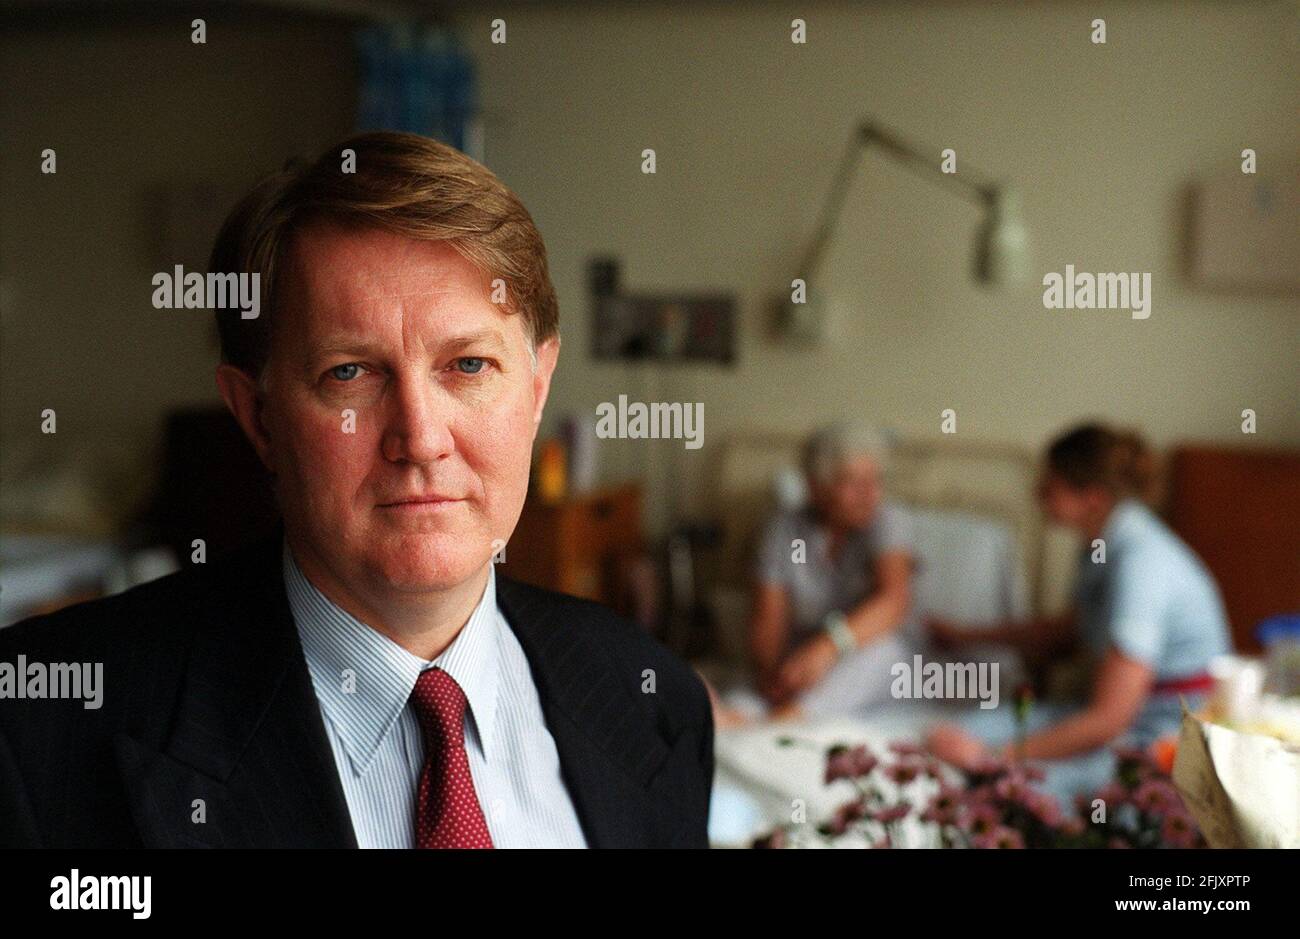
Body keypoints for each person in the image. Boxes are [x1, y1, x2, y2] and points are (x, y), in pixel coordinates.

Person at [0, 132, 713, 849]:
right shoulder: (38, 738)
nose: (421, 436)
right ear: (259, 418)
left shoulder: (654, 699)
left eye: (468, 364)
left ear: (536, 387)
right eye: (350, 373)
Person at [926, 422, 1231, 803]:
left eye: (1049, 485)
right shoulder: (1101, 545)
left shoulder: (1142, 564)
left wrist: (989, 760)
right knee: (949, 733)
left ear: (1093, 498)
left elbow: (1108, 720)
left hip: (1162, 733)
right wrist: (965, 638)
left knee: (1006, 790)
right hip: (1117, 717)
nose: (1038, 495)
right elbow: (1068, 633)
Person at [742, 424, 916, 721]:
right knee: (740, 693)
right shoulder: (784, 529)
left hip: (871, 652)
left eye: (875, 481)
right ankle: (756, 714)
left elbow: (893, 602)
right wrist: (773, 673)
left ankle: (786, 720)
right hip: (803, 657)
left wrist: (826, 648)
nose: (869, 494)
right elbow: (768, 619)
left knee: (883, 653)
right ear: (814, 486)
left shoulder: (888, 522)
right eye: (852, 483)